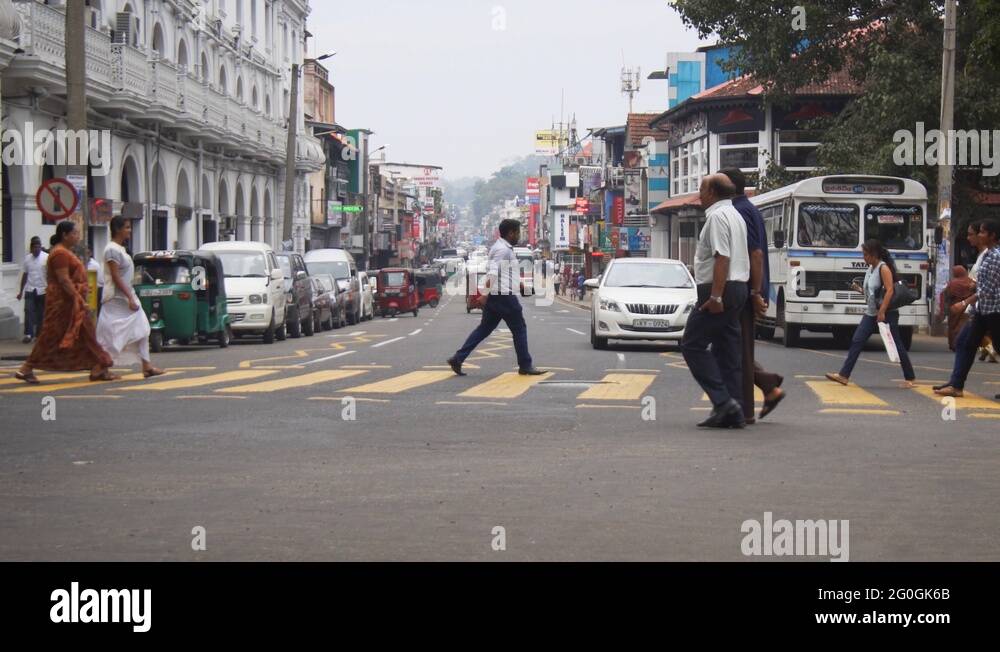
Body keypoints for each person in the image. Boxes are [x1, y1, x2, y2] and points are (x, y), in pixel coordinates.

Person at [681, 174, 750, 429]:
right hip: (737, 288)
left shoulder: (718, 217)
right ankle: (735, 410)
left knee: (692, 344)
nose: (699, 194)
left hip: (721, 290)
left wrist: (716, 297)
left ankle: (723, 402)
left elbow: (722, 258)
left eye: (702, 188)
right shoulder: (735, 215)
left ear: (712, 192)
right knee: (727, 349)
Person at [720, 168, 786, 423]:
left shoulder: (741, 211)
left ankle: (746, 408)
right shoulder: (746, 208)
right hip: (745, 289)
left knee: (739, 350)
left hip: (744, 291)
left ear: (730, 188)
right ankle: (768, 386)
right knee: (734, 347)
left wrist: (755, 293)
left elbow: (755, 254)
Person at [14, 222, 117, 385]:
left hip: (71, 303)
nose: (78, 236)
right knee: (50, 335)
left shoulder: (66, 252)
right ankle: (27, 367)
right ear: (65, 235)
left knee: (87, 334)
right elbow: (63, 280)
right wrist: (78, 298)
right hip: (63, 303)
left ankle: (100, 366)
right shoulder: (59, 253)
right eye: (75, 233)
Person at [448, 219, 545, 377]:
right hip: (503, 296)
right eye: (518, 232)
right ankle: (525, 365)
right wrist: (485, 294)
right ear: (511, 233)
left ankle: (458, 359)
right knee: (519, 328)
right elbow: (493, 272)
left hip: (497, 295)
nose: (519, 236)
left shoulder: (501, 248)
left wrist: (523, 287)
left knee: (484, 329)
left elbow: (506, 273)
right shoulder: (503, 250)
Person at [826, 240, 916, 388]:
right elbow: (873, 292)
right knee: (857, 340)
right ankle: (844, 375)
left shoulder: (883, 268)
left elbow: (890, 290)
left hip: (887, 313)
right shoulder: (871, 268)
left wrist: (882, 312)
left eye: (865, 254)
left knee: (895, 343)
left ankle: (910, 377)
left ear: (874, 255)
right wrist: (860, 289)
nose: (864, 257)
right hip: (871, 312)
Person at [934, 220, 1000, 398]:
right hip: (983, 310)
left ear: (992, 236)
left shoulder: (995, 257)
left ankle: (956, 384)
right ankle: (956, 385)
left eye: (982, 232)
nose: (979, 235)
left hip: (994, 310)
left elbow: (988, 289)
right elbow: (983, 284)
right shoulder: (988, 255)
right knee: (964, 342)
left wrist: (963, 304)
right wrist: (973, 287)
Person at [96, 217, 165, 379]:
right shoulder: (112, 250)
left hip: (125, 296)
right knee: (113, 334)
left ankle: (146, 365)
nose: (129, 230)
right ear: (118, 229)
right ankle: (99, 367)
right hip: (117, 299)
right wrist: (129, 297)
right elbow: (115, 276)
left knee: (142, 329)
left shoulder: (120, 249)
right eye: (127, 227)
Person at [16, 236, 48, 343]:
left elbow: (50, 275)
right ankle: (28, 334)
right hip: (30, 289)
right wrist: (21, 291)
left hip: (43, 289)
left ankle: (39, 335)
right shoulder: (27, 259)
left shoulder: (46, 258)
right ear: (31, 248)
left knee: (40, 313)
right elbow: (25, 275)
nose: (36, 249)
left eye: (38, 247)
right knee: (28, 311)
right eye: (34, 247)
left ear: (41, 247)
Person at [944, 264, 975, 351]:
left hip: (955, 307)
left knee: (953, 325)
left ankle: (953, 344)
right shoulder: (970, 281)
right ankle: (961, 343)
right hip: (966, 306)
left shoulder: (953, 283)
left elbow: (948, 294)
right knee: (962, 324)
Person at [86, 247, 105, 315]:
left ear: (90, 253)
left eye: (87, 253)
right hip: (85, 290)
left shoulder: (95, 265)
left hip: (95, 290)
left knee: (94, 311)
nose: (86, 255)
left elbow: (101, 280)